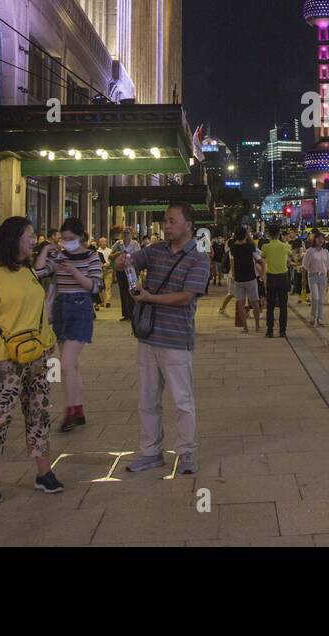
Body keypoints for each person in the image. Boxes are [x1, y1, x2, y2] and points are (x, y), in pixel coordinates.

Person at [0, 216, 62, 502]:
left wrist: (50, 346)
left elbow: (38, 310)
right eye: (29, 235)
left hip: (38, 355)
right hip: (6, 360)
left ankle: (43, 471)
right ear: (13, 238)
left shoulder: (25, 271)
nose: (33, 239)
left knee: (39, 412)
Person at [125, 202, 212, 476]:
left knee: (182, 400)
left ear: (188, 224)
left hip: (176, 339)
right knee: (147, 399)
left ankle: (186, 452)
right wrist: (125, 265)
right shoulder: (155, 250)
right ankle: (150, 452)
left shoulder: (199, 257)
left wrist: (150, 297)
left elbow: (187, 296)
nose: (167, 226)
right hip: (148, 336)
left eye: (172, 221)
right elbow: (131, 262)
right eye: (165, 221)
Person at [47, 218, 101, 432]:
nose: (66, 242)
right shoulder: (58, 256)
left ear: (81, 237)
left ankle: (69, 411)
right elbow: (43, 274)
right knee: (72, 365)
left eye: (71, 239)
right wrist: (46, 251)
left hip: (80, 308)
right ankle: (77, 409)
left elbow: (94, 287)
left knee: (66, 363)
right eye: (63, 238)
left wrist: (73, 271)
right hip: (61, 308)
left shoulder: (91, 256)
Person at [228, 227, 263, 334]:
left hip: (239, 279)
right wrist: (262, 274)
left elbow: (232, 262)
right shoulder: (250, 246)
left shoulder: (232, 248)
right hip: (251, 278)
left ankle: (245, 328)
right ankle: (257, 326)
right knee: (254, 303)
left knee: (240, 304)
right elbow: (260, 259)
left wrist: (233, 275)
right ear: (245, 235)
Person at [260, 224, 292, 338]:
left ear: (269, 234)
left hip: (271, 277)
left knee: (270, 305)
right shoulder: (285, 246)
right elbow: (290, 256)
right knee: (283, 306)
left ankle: (270, 331)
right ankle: (282, 331)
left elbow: (262, 257)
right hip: (283, 277)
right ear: (279, 234)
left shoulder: (265, 247)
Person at [301, 231, 329, 326]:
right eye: (319, 238)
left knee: (321, 299)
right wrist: (303, 279)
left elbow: (328, 266)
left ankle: (320, 319)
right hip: (312, 277)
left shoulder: (325, 252)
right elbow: (304, 266)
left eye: (322, 239)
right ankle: (313, 316)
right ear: (315, 239)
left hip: (322, 277)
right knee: (315, 298)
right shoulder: (309, 251)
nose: (321, 240)